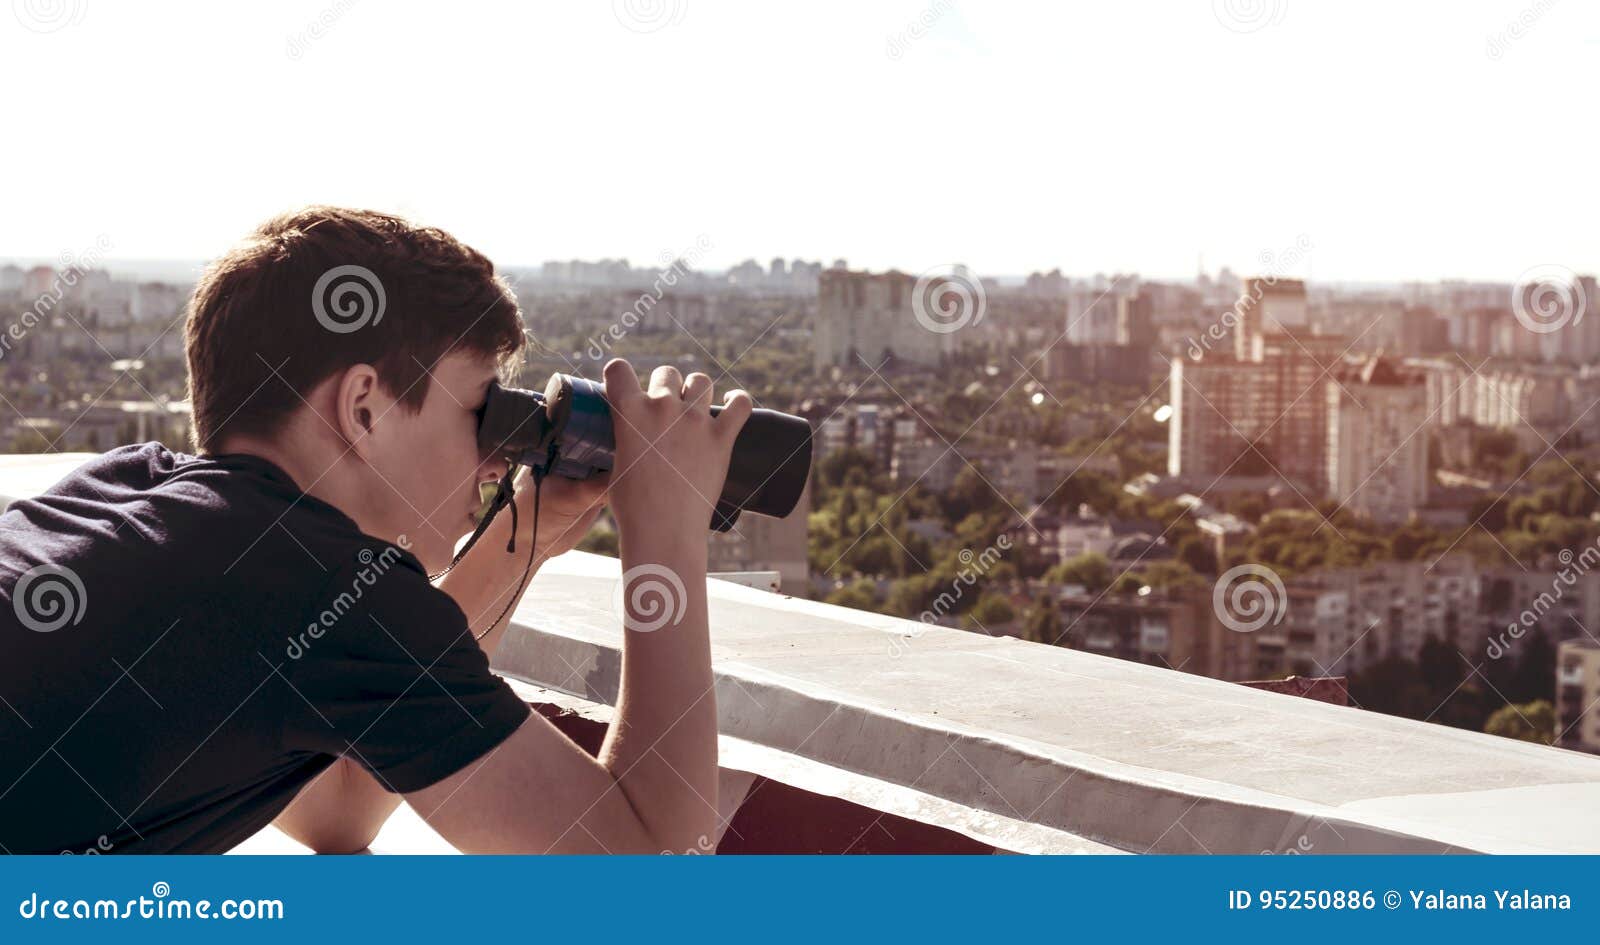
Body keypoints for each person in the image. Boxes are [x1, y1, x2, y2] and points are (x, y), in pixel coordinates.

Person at [0, 207, 750, 853]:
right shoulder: (323, 587)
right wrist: (667, 529)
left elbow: (338, 808)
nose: (495, 459)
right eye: (479, 412)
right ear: (363, 407)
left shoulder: (128, 488)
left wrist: (527, 536)